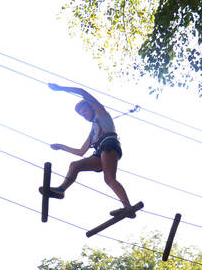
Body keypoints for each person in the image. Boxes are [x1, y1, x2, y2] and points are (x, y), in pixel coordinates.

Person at [42, 83, 137, 216]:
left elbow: (82, 92)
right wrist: (61, 147)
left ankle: (127, 207)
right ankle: (61, 190)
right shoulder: (93, 131)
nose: (84, 115)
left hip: (109, 145)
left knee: (109, 179)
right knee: (74, 166)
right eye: (81, 114)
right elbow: (81, 152)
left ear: (92, 108)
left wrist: (61, 88)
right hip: (99, 152)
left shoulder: (102, 114)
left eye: (85, 111)